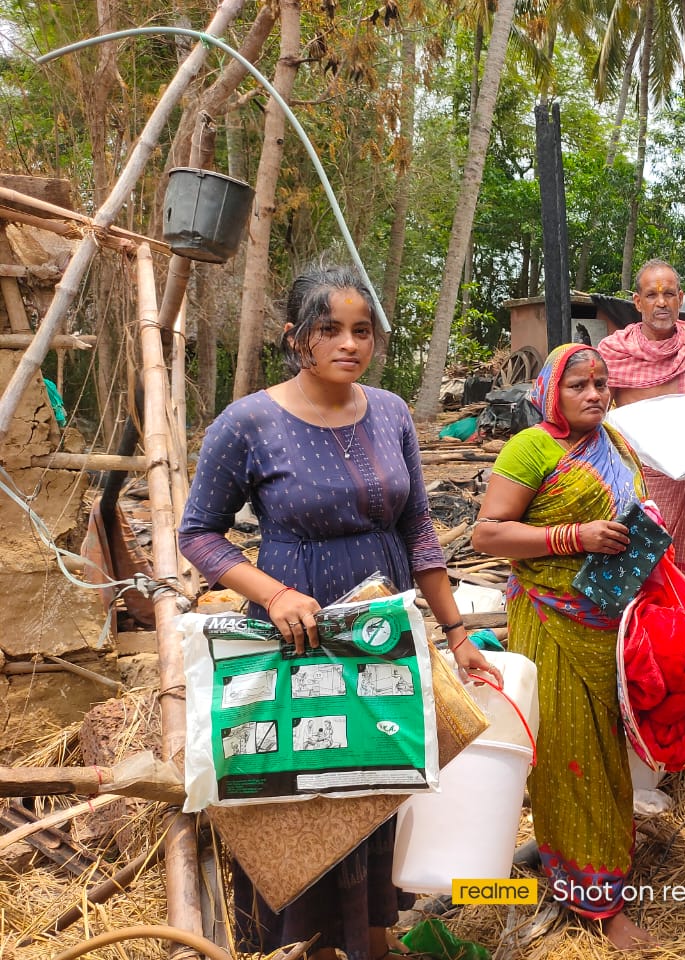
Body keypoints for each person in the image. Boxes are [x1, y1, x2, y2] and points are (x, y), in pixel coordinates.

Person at [178, 266, 499, 960]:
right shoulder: (249, 422)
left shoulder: (389, 412)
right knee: (303, 792)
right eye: (330, 329)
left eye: (362, 331)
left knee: (377, 780)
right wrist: (272, 593)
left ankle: (370, 940)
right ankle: (300, 946)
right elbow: (197, 533)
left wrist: (456, 631)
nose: (348, 343)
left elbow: (418, 527)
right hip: (300, 631)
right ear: (297, 339)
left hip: (384, 636)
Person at [472, 343, 656, 951]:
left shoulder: (617, 443)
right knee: (568, 754)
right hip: (552, 618)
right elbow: (488, 533)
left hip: (610, 620)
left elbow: (630, 505)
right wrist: (572, 534)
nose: (595, 394)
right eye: (579, 384)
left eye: (602, 383)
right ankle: (594, 898)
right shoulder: (532, 447)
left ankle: (588, 858)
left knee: (607, 752)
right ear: (552, 390)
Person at [597, 259, 685, 594]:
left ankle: (682, 630)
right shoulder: (614, 353)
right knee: (633, 570)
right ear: (638, 302)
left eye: (669, 294)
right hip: (632, 481)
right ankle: (632, 634)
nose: (661, 302)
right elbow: (595, 413)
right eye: (652, 294)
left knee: (682, 580)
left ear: (680, 299)